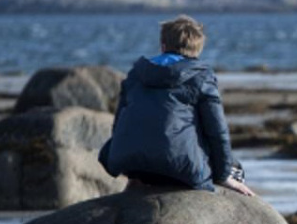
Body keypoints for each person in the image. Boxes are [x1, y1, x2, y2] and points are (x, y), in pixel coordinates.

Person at [99, 15, 254, 196]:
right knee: (236, 169)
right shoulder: (200, 76)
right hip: (177, 169)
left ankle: (137, 180)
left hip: (130, 164)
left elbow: (119, 124)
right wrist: (223, 175)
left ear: (163, 46)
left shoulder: (136, 74)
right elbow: (217, 132)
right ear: (197, 50)